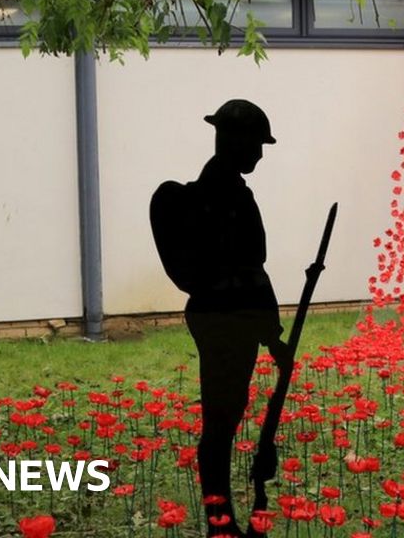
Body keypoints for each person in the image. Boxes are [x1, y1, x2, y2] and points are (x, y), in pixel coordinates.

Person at [150, 99, 292, 538]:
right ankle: (220, 519)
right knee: (221, 420)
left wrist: (270, 336)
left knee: (225, 414)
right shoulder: (224, 198)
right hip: (230, 320)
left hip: (222, 318)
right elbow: (253, 269)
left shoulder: (219, 193)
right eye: (256, 143)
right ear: (234, 140)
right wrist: (272, 338)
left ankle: (222, 514)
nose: (260, 154)